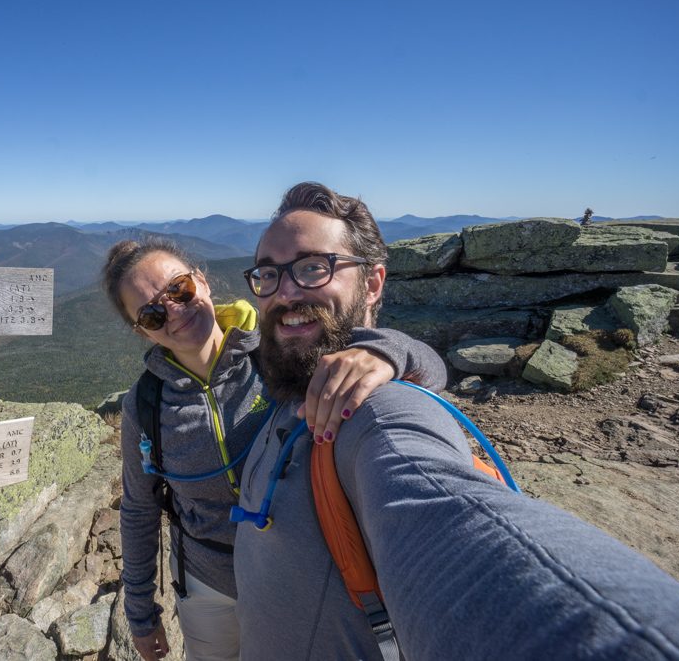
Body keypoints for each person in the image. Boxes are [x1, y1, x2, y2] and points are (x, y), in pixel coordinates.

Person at [234, 181, 679, 660]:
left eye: (313, 267)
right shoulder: (289, 375)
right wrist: (404, 349)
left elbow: (451, 515)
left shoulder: (375, 415)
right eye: (268, 274)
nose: (285, 292)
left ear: (373, 283)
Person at [102, 238, 447, 661]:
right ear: (142, 331)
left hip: (297, 576)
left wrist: (385, 354)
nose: (174, 311)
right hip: (206, 585)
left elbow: (430, 368)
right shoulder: (145, 404)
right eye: (153, 314)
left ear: (203, 282)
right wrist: (141, 613)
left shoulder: (282, 352)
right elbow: (139, 509)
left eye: (180, 289)